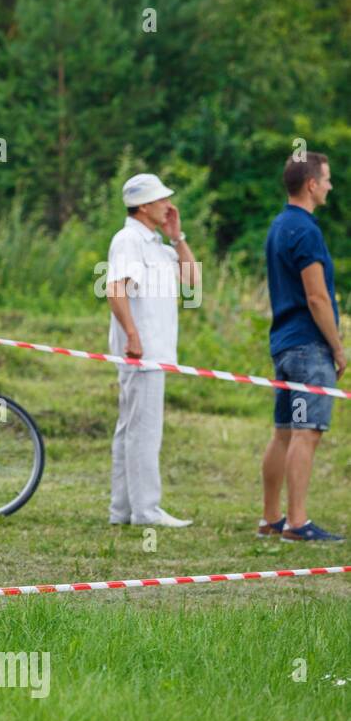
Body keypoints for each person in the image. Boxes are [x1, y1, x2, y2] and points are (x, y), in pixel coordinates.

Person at [105, 173, 200, 528]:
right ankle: (146, 510)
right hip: (141, 354)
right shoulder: (128, 239)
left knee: (131, 427)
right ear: (143, 206)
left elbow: (193, 280)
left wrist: (178, 237)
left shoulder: (155, 243)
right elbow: (115, 290)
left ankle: (123, 510)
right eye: (162, 200)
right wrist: (132, 336)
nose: (169, 205)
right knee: (144, 430)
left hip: (152, 352)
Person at [258, 152, 344, 542]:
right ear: (311, 184)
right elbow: (317, 297)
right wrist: (338, 347)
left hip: (284, 346)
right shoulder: (307, 231)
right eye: (326, 179)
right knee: (306, 432)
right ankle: (298, 522)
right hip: (309, 348)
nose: (329, 186)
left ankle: (271, 518)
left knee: (285, 432)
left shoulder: (279, 225)